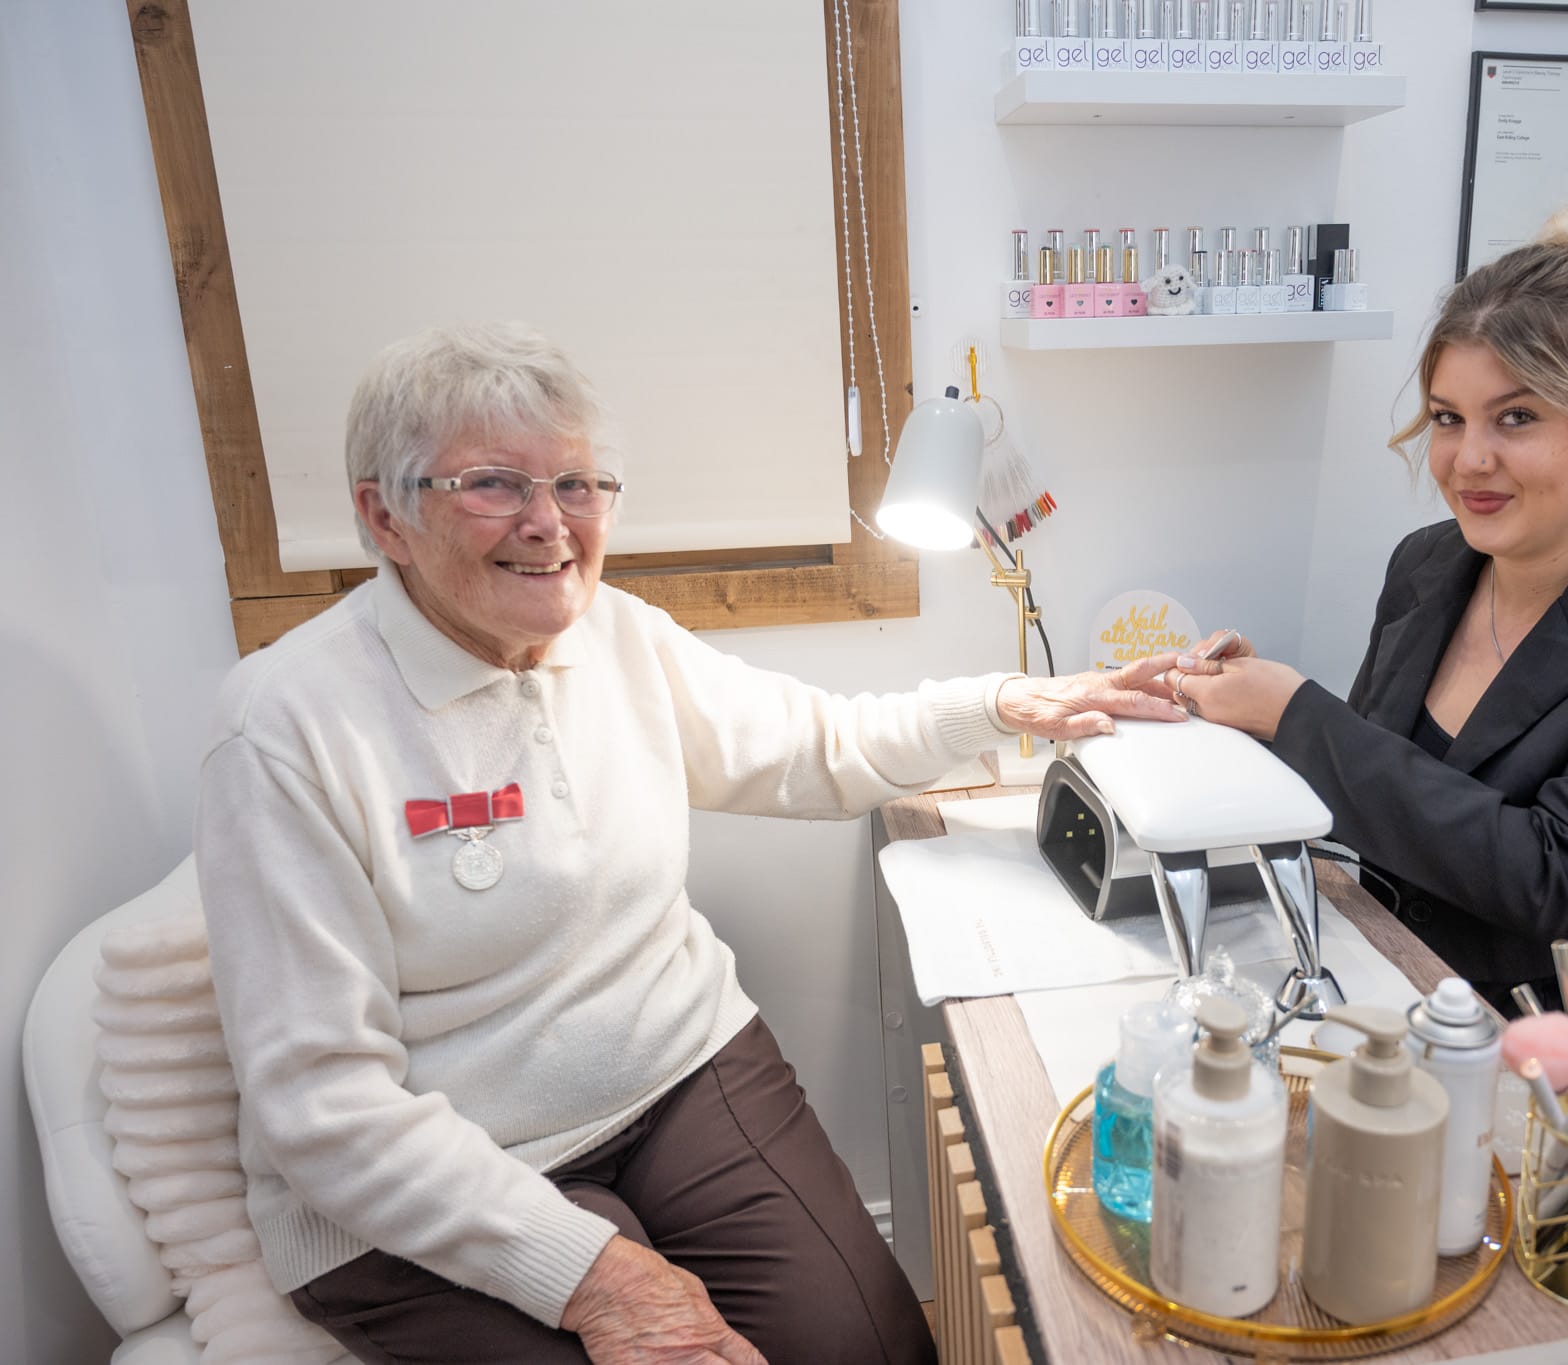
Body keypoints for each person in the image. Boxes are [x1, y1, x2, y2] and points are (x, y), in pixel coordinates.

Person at [194, 322, 1187, 1365]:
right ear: (383, 516)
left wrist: (1008, 703)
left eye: (578, 485)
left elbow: (818, 746)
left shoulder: (615, 634)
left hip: (673, 1074)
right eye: (495, 484)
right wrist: (599, 1273)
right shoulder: (283, 728)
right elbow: (322, 1105)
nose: (550, 524)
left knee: (870, 1347)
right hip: (427, 1174)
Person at [1164, 195, 1568, 1175]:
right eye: (1448, 419)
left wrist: (1296, 715)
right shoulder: (1430, 564)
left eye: (1515, 419)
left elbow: (1551, 877)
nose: (1467, 460)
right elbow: (1390, 793)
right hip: (1408, 976)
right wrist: (1250, 720)